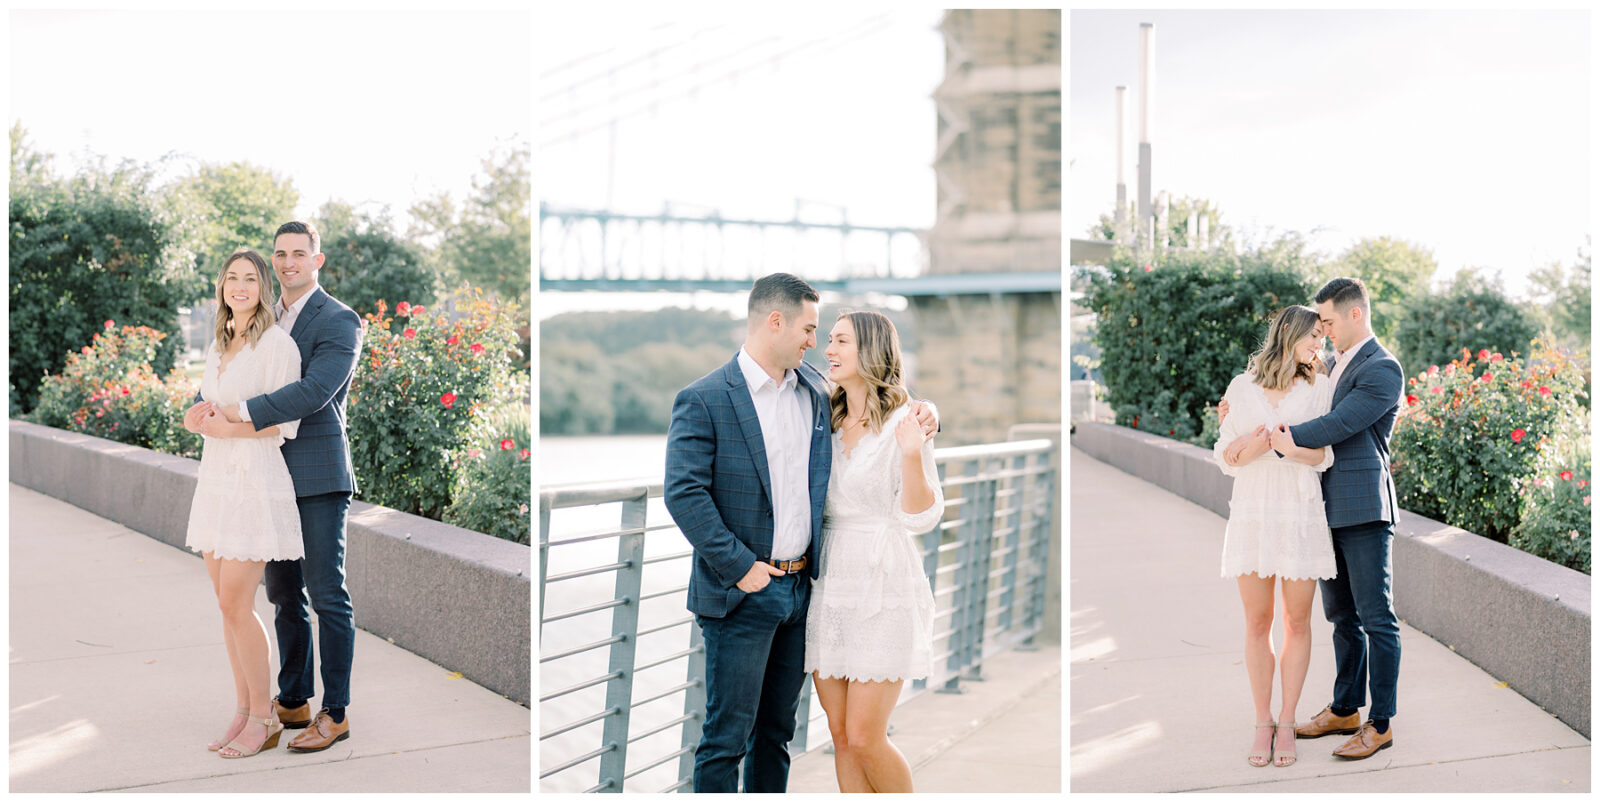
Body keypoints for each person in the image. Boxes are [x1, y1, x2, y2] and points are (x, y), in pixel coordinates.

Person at [663, 273, 938, 793]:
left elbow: (887, 404)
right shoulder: (705, 398)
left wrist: (927, 415)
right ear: (776, 322)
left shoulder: (814, 391)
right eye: (812, 330)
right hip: (745, 591)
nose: (817, 344)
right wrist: (741, 568)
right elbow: (683, 493)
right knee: (727, 739)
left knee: (779, 736)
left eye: (830, 336)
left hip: (806, 592)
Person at [193, 220, 363, 754]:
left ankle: (336, 712)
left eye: (299, 253)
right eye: (281, 254)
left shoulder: (339, 319)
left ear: (317, 260)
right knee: (284, 595)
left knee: (326, 594)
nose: (289, 262)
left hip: (315, 473)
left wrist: (235, 417)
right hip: (263, 474)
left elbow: (313, 391)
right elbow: (227, 376)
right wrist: (203, 411)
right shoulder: (263, 319)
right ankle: (292, 700)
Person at [1219, 276, 1404, 761]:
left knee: (1376, 617)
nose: (1323, 333)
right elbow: (1267, 397)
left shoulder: (1382, 368)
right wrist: (1234, 422)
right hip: (1320, 509)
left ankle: (1380, 723)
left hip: (1361, 506)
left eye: (1328, 322)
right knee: (1342, 617)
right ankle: (1344, 708)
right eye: (1317, 326)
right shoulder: (1331, 365)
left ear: (1354, 314)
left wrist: (1264, 436)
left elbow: (1337, 426)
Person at [804, 310, 943, 792]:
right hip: (830, 585)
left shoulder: (908, 419)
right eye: (829, 339)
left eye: (841, 341)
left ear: (870, 349)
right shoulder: (824, 413)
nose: (828, 349)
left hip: (883, 587)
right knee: (841, 736)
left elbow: (922, 516)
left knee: (866, 736)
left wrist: (911, 453)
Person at [183, 248, 304, 758]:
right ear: (222, 287)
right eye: (232, 277)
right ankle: (242, 709)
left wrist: (228, 429)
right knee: (225, 607)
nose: (240, 286)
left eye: (250, 278)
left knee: (238, 603)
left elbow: (286, 423)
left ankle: (264, 715)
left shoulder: (277, 345)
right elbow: (207, 407)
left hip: (253, 483)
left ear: (263, 288)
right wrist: (195, 419)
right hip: (216, 481)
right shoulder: (218, 343)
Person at [1212, 305, 1335, 768]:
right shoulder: (1241, 387)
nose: (1319, 344)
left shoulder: (1320, 386)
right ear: (1288, 332)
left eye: (1323, 337)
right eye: (1313, 336)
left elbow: (1324, 455)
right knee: (1258, 622)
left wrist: (1285, 448)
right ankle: (1262, 721)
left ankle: (1287, 721)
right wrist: (1252, 446)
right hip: (1253, 512)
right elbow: (1225, 456)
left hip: (1299, 511)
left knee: (1297, 622)